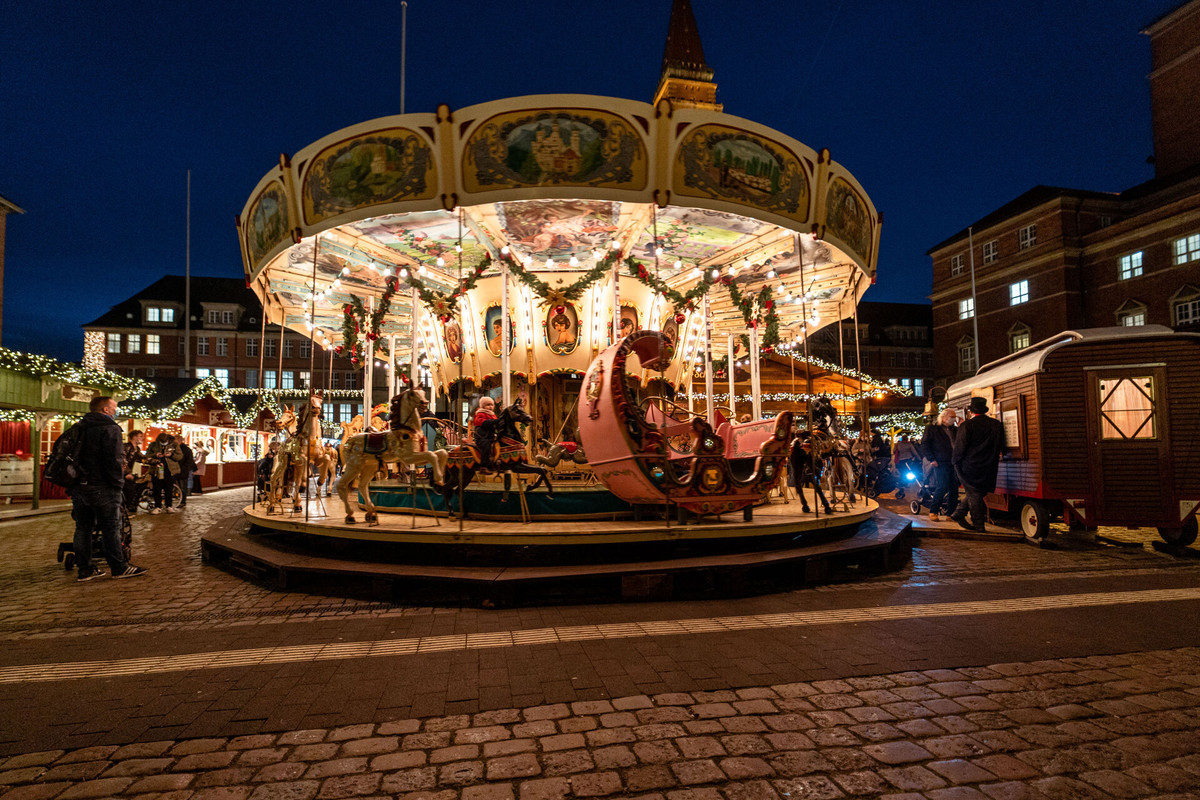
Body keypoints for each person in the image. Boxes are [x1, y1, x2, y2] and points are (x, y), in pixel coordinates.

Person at [70, 396, 146, 581]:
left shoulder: (78, 427)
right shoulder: (110, 428)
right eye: (114, 407)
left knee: (83, 528)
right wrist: (118, 483)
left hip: (79, 485)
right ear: (105, 409)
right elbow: (114, 459)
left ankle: (85, 569)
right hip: (103, 485)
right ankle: (119, 567)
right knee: (111, 527)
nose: (115, 410)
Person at [949, 397, 1005, 532]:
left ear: (971, 411)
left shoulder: (967, 425)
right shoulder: (996, 424)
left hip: (969, 465)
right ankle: (959, 513)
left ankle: (977, 523)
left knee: (974, 493)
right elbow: (1000, 444)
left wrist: (955, 462)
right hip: (989, 464)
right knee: (978, 492)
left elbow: (960, 447)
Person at [920, 408, 959, 521]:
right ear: (943, 417)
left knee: (954, 488)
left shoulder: (955, 430)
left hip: (953, 461)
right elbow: (925, 444)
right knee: (942, 486)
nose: (953, 419)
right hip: (940, 461)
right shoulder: (932, 429)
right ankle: (934, 511)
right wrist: (931, 459)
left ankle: (950, 513)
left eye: (954, 417)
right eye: (951, 417)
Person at [144, 431, 183, 514]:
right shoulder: (153, 445)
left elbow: (180, 456)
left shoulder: (174, 445)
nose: (163, 443)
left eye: (164, 442)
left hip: (170, 470)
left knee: (169, 489)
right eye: (161, 442)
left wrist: (171, 455)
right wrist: (156, 455)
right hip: (156, 469)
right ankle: (158, 506)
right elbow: (147, 455)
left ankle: (169, 506)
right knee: (157, 489)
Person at [122, 429, 145, 515]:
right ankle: (123, 513)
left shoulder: (136, 449)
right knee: (127, 492)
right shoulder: (126, 447)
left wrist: (155, 460)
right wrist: (127, 473)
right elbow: (123, 461)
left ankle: (125, 512)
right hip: (123, 475)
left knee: (131, 492)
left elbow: (143, 458)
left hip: (128, 474)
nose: (142, 438)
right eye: (140, 436)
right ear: (134, 437)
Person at [472, 396, 499, 462]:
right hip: (482, 437)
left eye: (492, 405)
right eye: (488, 405)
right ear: (483, 406)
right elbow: (480, 421)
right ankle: (484, 464)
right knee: (486, 445)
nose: (490, 407)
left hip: (490, 436)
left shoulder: (492, 414)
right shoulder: (480, 413)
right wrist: (492, 421)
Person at [175, 435, 196, 508]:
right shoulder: (176, 448)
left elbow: (189, 461)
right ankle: (180, 500)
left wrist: (184, 468)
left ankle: (182, 501)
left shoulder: (186, 450)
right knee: (179, 486)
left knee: (183, 486)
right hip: (177, 470)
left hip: (183, 471)